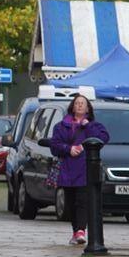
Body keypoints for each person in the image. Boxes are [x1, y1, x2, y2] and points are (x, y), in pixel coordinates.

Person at [50, 93, 110, 246]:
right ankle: (76, 231)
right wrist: (68, 149)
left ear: (88, 107)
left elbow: (103, 138)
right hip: (68, 169)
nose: (80, 105)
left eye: (83, 103)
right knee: (70, 203)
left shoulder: (94, 125)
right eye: (77, 103)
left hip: (85, 169)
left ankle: (81, 231)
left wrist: (87, 125)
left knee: (82, 201)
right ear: (73, 106)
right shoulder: (61, 126)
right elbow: (54, 145)